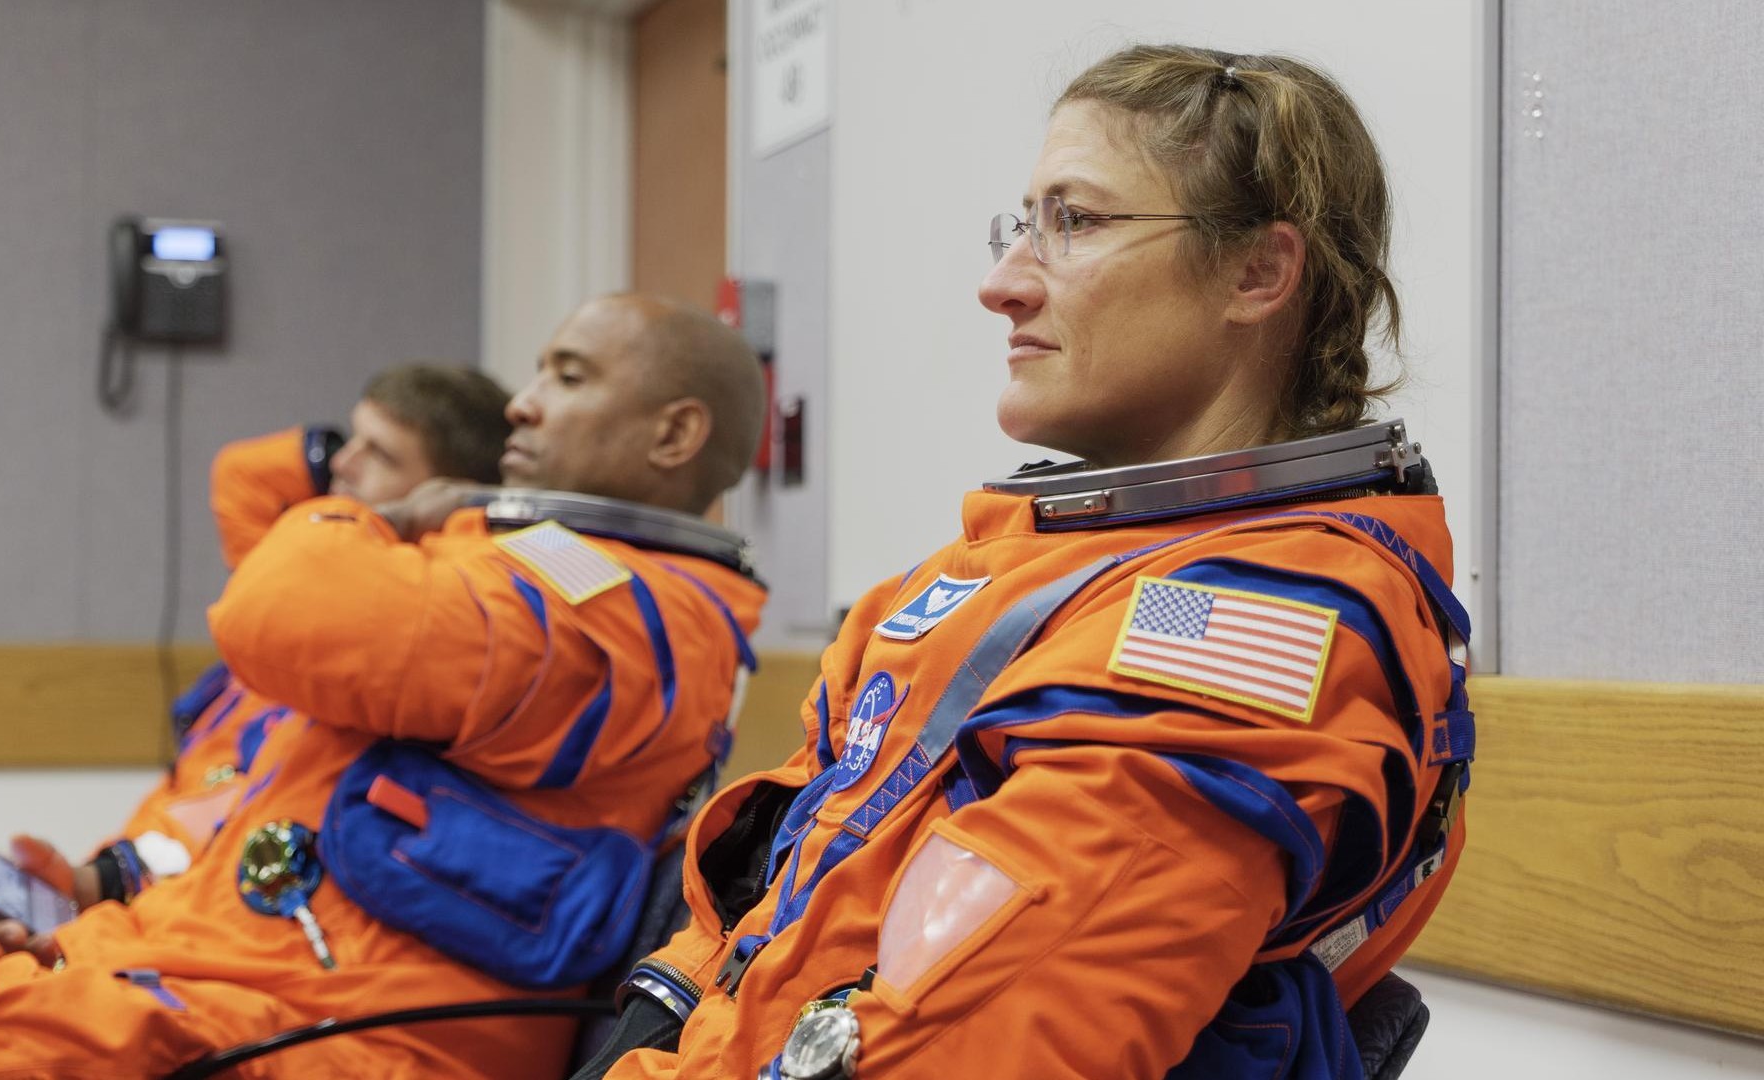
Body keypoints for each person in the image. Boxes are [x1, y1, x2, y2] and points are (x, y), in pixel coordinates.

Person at [576, 45, 1471, 1080]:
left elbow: (958, 1049)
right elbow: (766, 893)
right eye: (1022, 222)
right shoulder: (980, 576)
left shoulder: (1250, 629)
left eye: (1077, 222)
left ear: (1258, 272)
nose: (1002, 285)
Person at [0, 295, 770, 1080]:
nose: (522, 406)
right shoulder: (530, 563)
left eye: (567, 378)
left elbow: (282, 609)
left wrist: (374, 514)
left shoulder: (617, 603)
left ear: (676, 433)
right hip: (231, 980)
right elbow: (263, 529)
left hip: (338, 1031)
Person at [0, 364, 513, 956]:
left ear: (439, 500)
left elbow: (236, 819)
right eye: (347, 441)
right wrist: (97, 882)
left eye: (378, 453)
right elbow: (242, 477)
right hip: (148, 886)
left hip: (188, 930)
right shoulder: (305, 610)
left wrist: (385, 519)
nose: (341, 464)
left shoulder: (381, 656)